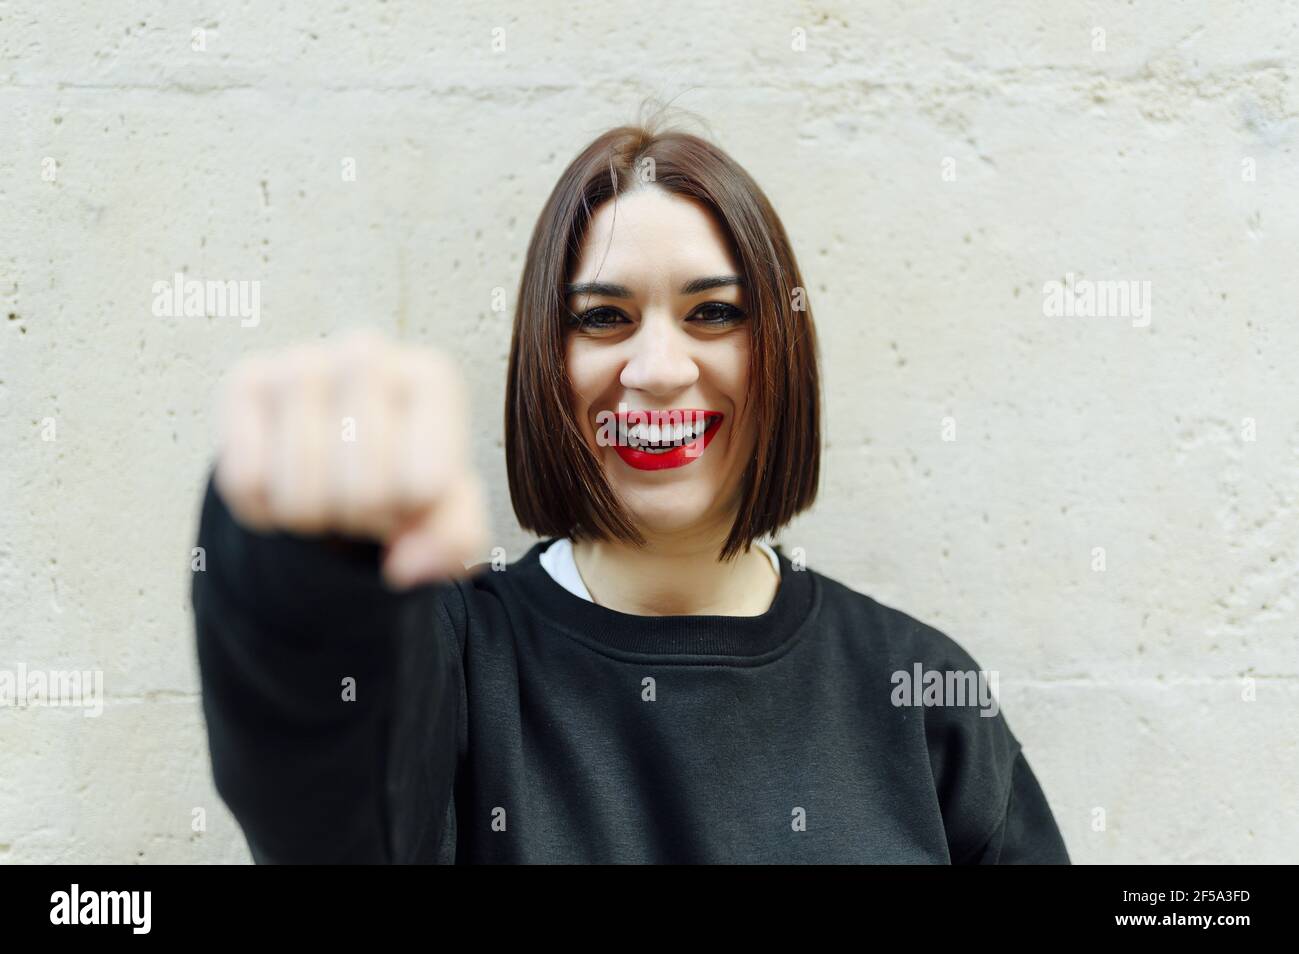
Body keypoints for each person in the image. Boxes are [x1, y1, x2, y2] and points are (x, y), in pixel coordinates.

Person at [192, 120, 1070, 864]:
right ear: (548, 359)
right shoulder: (451, 664)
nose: (656, 371)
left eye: (714, 313)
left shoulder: (921, 692)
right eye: (604, 318)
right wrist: (298, 544)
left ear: (784, 357)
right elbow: (324, 780)